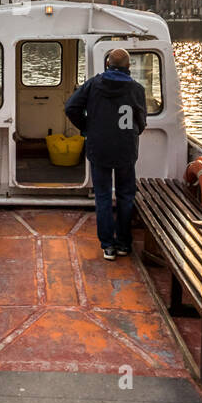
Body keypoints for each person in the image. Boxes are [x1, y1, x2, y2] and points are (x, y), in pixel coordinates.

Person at [64, 47, 148, 261]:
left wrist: (86, 128)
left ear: (107, 64)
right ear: (129, 67)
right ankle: (123, 243)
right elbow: (142, 121)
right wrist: (133, 132)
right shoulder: (136, 89)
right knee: (125, 195)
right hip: (125, 150)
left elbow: (71, 107)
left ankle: (108, 246)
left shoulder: (93, 84)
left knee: (102, 196)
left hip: (98, 148)